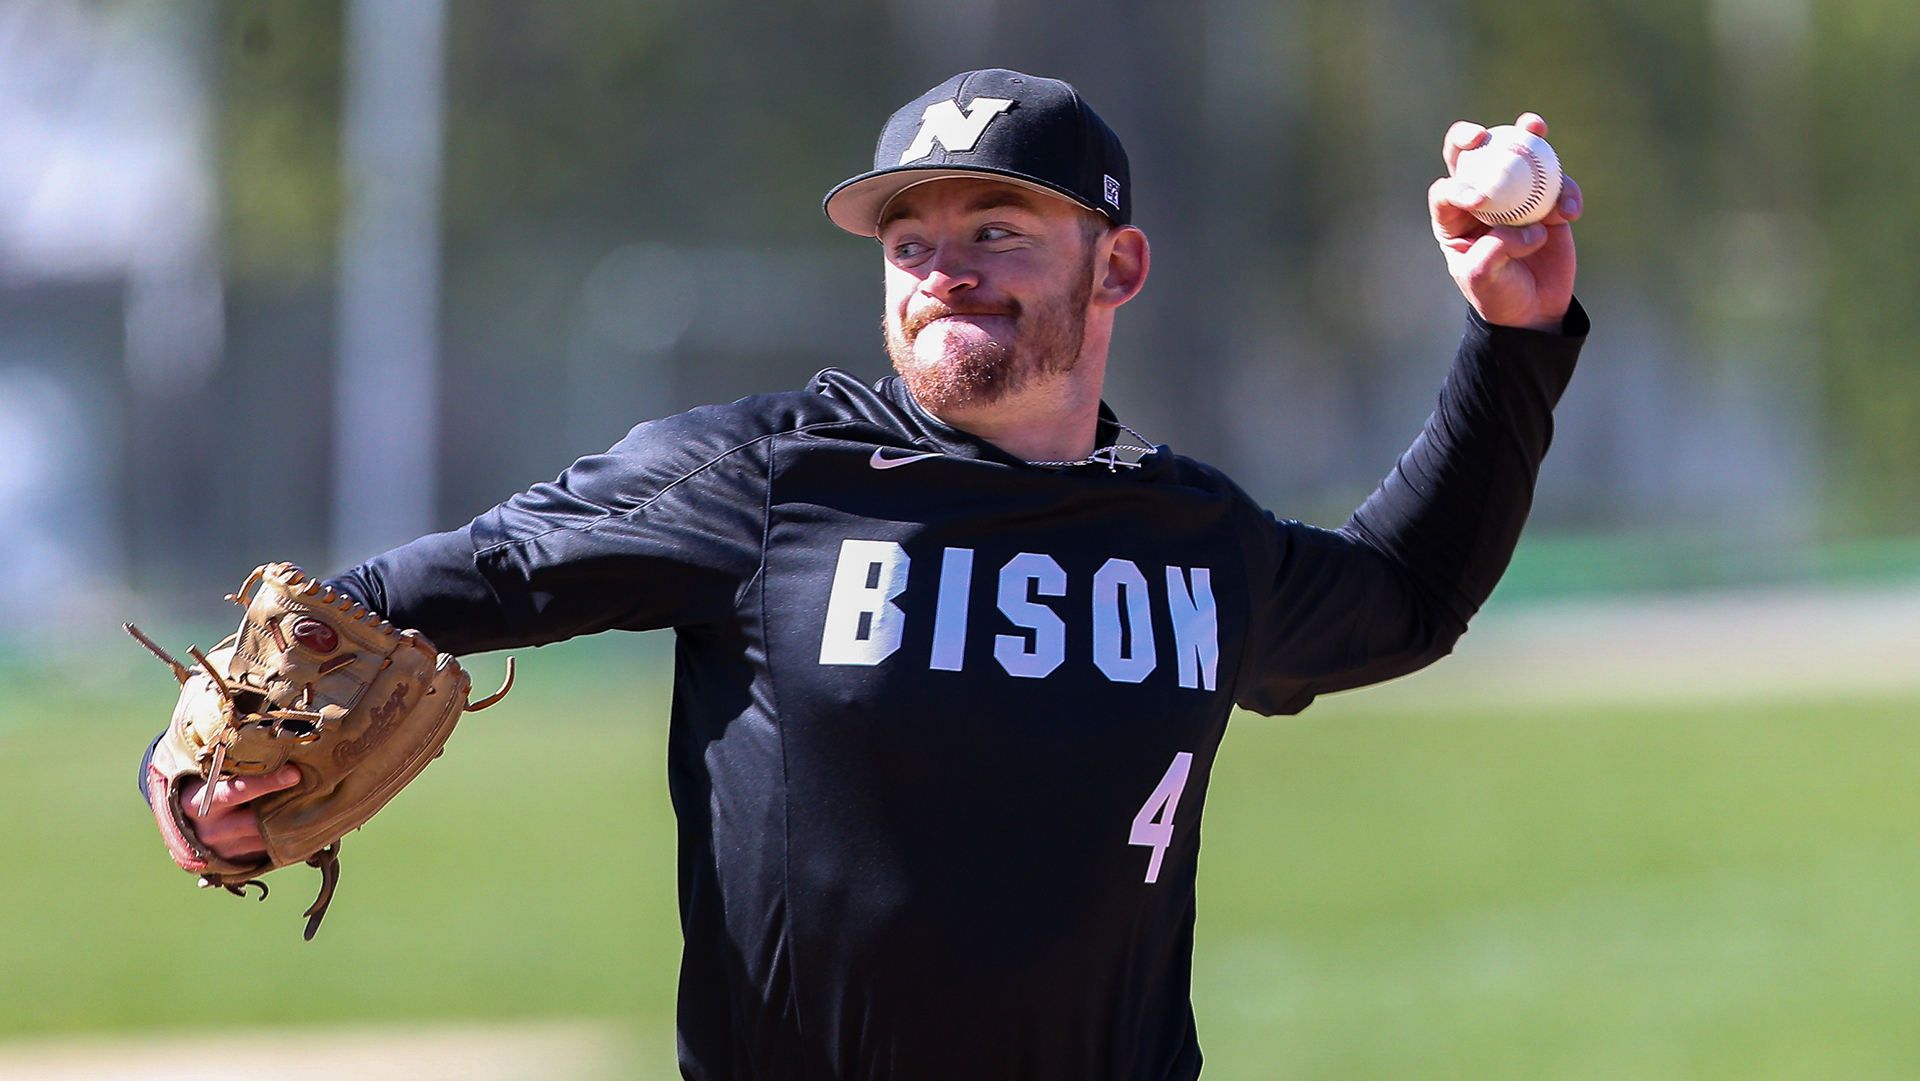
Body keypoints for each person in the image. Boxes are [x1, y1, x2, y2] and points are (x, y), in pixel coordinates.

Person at [154, 69, 1585, 1080]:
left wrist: (1516, 337)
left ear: (1121, 266)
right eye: (912, 243)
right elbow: (424, 585)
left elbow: (1406, 594)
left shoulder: (1190, 535)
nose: (944, 271)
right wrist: (195, 770)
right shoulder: (765, 477)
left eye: (997, 233)